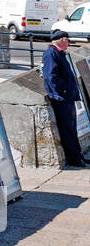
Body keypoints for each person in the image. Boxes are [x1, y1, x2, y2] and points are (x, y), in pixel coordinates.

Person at [42, 32, 84, 168]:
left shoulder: (59, 52)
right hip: (62, 98)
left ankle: (78, 156)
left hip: (67, 97)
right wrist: (64, 90)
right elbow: (50, 76)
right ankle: (74, 158)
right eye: (68, 40)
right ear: (62, 40)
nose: (69, 42)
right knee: (67, 129)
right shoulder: (51, 53)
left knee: (72, 128)